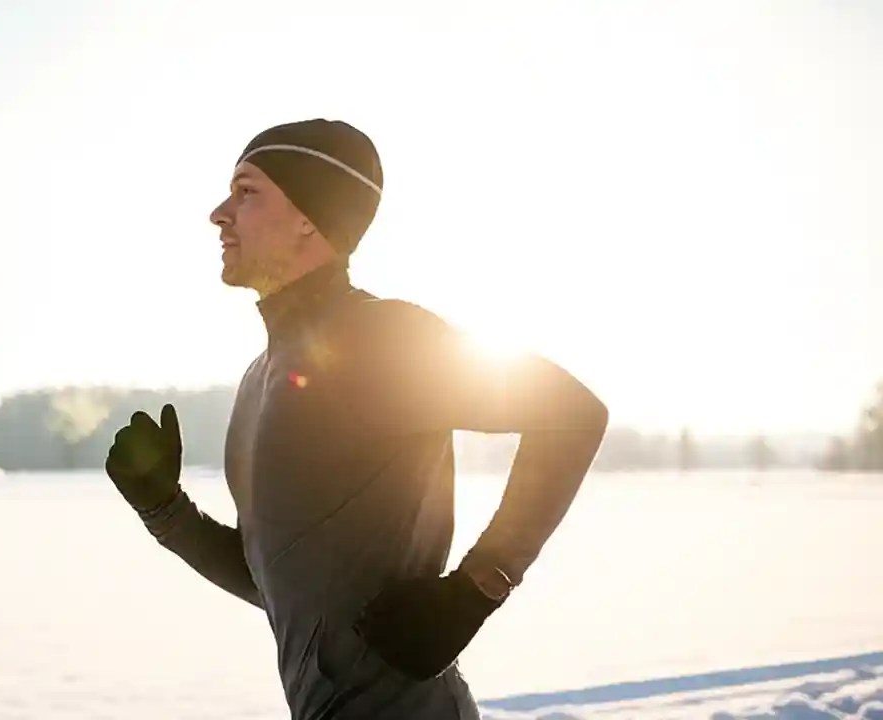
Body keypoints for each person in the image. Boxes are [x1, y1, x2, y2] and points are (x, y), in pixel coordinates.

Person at [104, 119, 609, 719]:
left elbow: (573, 412)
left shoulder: (378, 339)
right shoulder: (261, 377)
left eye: (246, 191)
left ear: (310, 218)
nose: (220, 213)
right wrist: (165, 511)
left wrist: (479, 586)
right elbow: (283, 588)